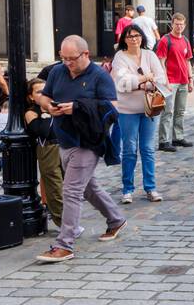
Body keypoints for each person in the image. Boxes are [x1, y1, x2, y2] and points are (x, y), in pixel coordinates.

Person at [36, 36, 126, 263]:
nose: (67, 63)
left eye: (71, 59)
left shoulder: (99, 76)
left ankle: (65, 243)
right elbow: (44, 96)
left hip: (88, 141)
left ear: (85, 54)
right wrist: (49, 106)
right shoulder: (57, 72)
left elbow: (113, 109)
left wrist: (76, 108)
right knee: (87, 187)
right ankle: (116, 219)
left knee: (72, 190)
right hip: (64, 139)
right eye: (63, 58)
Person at [111, 23, 171, 204]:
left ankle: (150, 187)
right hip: (127, 110)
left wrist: (137, 83)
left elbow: (160, 79)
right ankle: (127, 189)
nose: (134, 39)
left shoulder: (150, 55)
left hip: (150, 109)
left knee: (147, 149)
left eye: (137, 35)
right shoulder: (120, 57)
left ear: (142, 37)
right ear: (124, 39)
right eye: (130, 36)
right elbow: (121, 84)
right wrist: (146, 78)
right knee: (129, 149)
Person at [25, 78, 64, 229]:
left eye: (45, 91)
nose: (43, 94)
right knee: (54, 185)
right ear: (31, 96)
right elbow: (43, 132)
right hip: (47, 148)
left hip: (64, 146)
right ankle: (62, 222)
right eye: (38, 92)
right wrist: (46, 112)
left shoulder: (56, 106)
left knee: (70, 185)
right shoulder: (31, 112)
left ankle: (71, 219)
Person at [156, 13, 194, 152]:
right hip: (170, 81)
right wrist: (165, 80)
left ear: (184, 25)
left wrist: (191, 79)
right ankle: (163, 141)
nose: (179, 27)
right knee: (168, 112)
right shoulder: (165, 40)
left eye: (181, 24)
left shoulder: (185, 40)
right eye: (176, 24)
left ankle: (178, 137)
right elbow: (161, 61)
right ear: (172, 24)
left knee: (180, 111)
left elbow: (187, 61)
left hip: (183, 80)